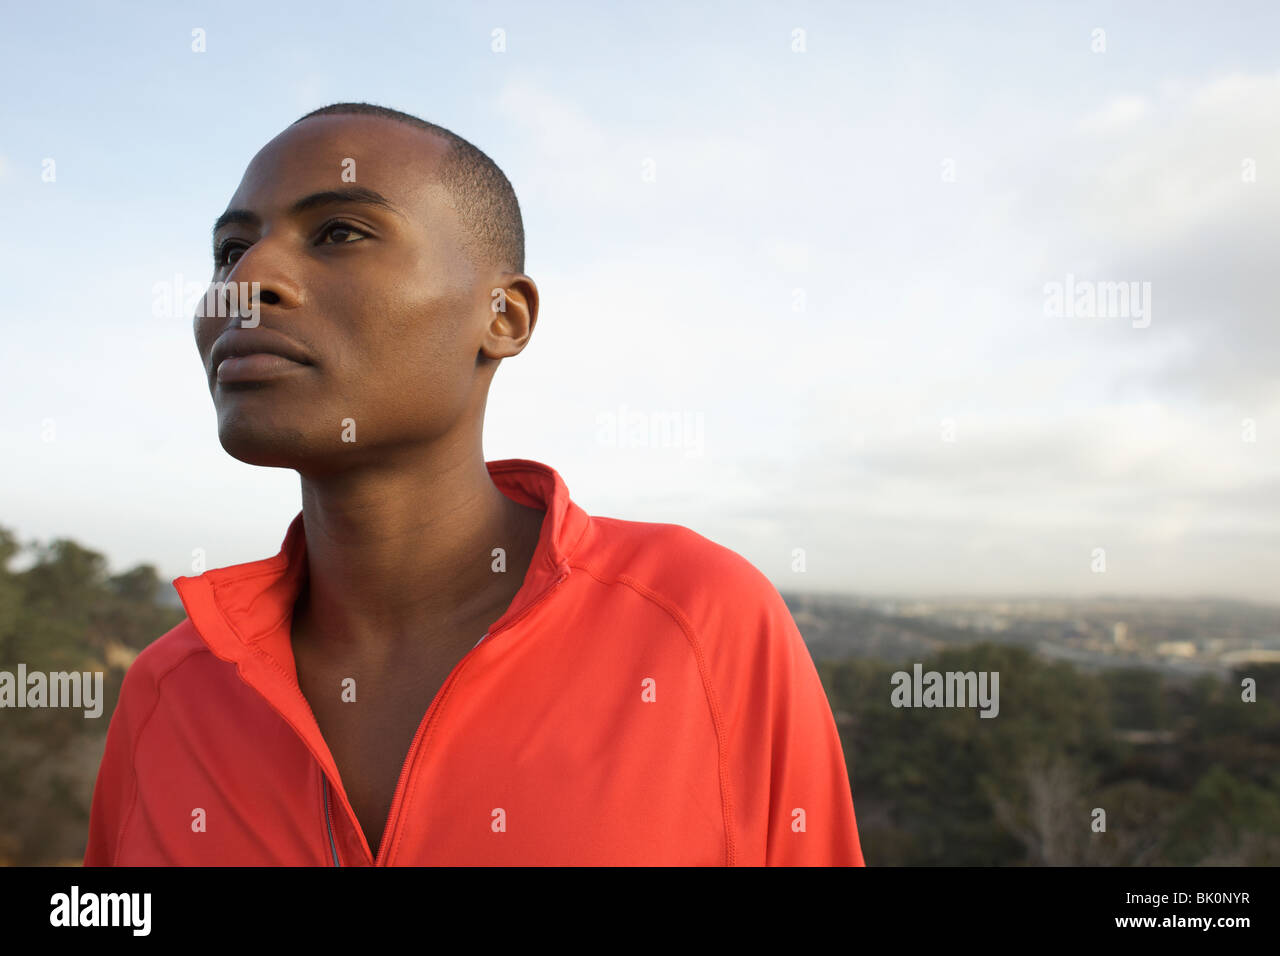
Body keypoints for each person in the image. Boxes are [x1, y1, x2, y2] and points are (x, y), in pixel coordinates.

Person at [83, 103, 865, 866]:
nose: (246, 283)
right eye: (228, 251)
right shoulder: (169, 691)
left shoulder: (700, 619)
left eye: (339, 233)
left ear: (504, 316)